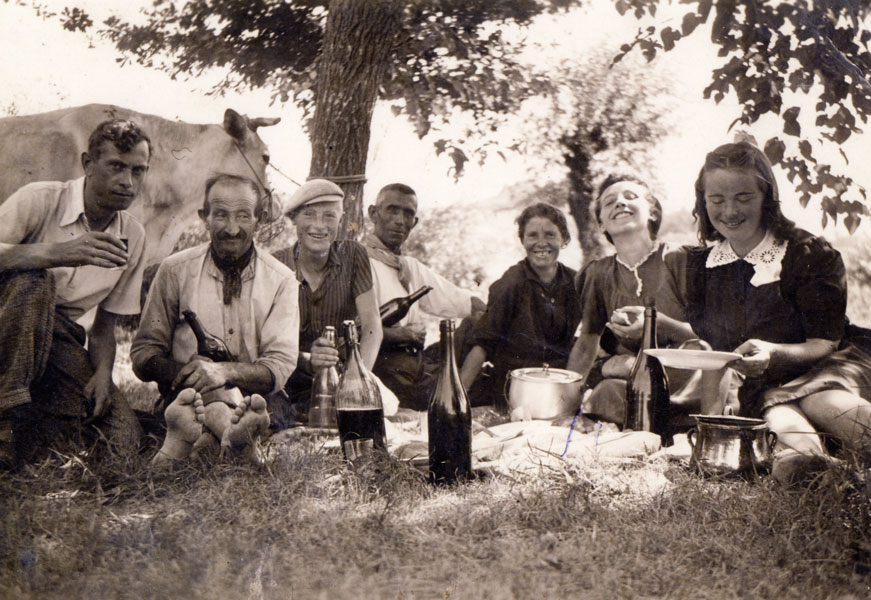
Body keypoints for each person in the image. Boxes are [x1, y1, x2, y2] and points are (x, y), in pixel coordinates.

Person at [677, 141, 871, 481]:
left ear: (766, 196)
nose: (730, 211)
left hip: (831, 365)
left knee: (822, 403)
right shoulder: (702, 266)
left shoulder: (807, 253)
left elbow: (824, 343)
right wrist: (709, 439)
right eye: (717, 200)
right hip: (768, 389)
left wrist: (773, 352)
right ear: (702, 202)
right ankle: (826, 474)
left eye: (743, 197)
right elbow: (716, 357)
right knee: (784, 427)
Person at [0, 119, 150, 467]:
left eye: (138, 171)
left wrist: (102, 375)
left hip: (57, 339)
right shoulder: (41, 199)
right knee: (34, 282)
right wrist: (58, 253)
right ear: (87, 163)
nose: (127, 182)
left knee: (122, 442)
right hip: (7, 320)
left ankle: (31, 427)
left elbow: (103, 328)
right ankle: (5, 424)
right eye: (116, 166)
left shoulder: (133, 235)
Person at [131, 173, 299, 465]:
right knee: (196, 408)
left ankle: (186, 448)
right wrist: (187, 374)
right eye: (220, 215)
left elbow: (279, 367)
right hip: (189, 398)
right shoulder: (175, 270)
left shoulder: (281, 279)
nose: (232, 229)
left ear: (258, 219)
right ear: (204, 217)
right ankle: (238, 443)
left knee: (224, 427)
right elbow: (143, 354)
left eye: (243, 216)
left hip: (258, 401)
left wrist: (224, 373)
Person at [566, 175, 698, 425]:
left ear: (653, 212)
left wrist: (654, 323)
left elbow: (707, 337)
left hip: (688, 377)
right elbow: (586, 344)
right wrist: (566, 401)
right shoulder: (599, 273)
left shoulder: (680, 259)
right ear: (602, 224)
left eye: (630, 197)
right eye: (609, 202)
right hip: (635, 387)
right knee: (606, 392)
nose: (619, 203)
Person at [363, 183, 485, 410]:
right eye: (392, 210)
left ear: (414, 223)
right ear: (373, 214)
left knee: (475, 325)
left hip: (418, 361)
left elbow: (460, 300)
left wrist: (490, 311)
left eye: (408, 213)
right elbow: (355, 330)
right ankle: (453, 397)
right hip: (387, 367)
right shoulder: (360, 262)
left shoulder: (408, 267)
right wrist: (403, 334)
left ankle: (455, 393)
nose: (400, 220)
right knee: (479, 387)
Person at [274, 179, 383, 428]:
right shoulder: (275, 265)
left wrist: (356, 384)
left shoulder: (354, 255)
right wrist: (307, 359)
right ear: (294, 219)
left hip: (340, 378)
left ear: (340, 221)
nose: (319, 226)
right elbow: (262, 342)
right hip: (287, 381)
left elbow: (372, 326)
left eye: (329, 216)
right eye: (309, 215)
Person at [460, 203, 582, 413]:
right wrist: (457, 400)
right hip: (517, 387)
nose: (541, 243)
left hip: (560, 382)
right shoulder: (512, 282)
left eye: (550, 235)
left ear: (564, 239)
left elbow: (594, 335)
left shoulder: (576, 282)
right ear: (523, 241)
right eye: (532, 235)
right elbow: (483, 343)